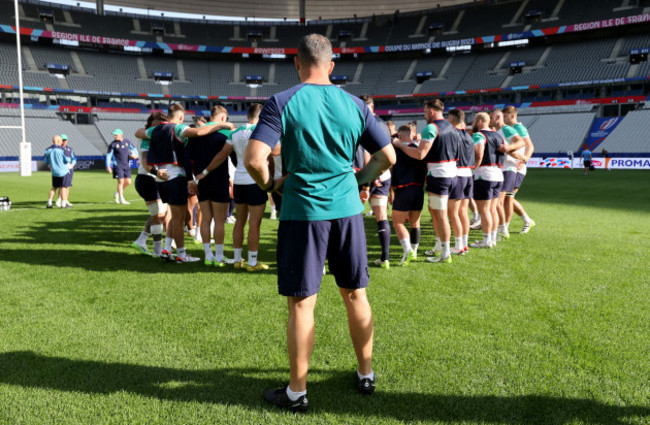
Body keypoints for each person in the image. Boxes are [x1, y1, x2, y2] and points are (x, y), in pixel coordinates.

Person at [244, 34, 394, 412]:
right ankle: (366, 374)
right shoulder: (355, 104)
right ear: (331, 65)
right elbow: (387, 156)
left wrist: (271, 184)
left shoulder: (282, 101)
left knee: (301, 304)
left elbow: (253, 159)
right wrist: (357, 180)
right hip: (346, 211)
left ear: (296, 64)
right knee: (356, 294)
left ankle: (297, 392)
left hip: (302, 212)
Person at [135, 103, 233, 263]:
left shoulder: (155, 130)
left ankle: (167, 249)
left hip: (160, 178)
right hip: (175, 176)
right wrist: (222, 125)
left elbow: (138, 132)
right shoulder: (178, 129)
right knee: (178, 219)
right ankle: (181, 254)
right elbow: (199, 131)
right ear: (181, 117)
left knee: (171, 216)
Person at [392, 99, 458, 264]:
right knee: (440, 214)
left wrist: (400, 145)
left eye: (425, 112)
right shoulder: (452, 126)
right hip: (453, 174)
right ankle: (444, 250)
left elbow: (420, 154)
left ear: (430, 111)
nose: (424, 115)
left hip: (439, 176)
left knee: (441, 215)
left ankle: (445, 253)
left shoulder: (432, 127)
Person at [188, 105, 235, 266]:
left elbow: (186, 158)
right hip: (219, 179)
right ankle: (219, 257)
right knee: (220, 221)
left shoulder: (197, 133)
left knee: (205, 218)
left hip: (201, 181)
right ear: (223, 118)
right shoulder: (227, 132)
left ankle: (208, 256)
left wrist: (191, 179)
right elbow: (234, 158)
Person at [227, 103, 272, 271]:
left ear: (248, 116)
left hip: (239, 180)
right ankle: (252, 262)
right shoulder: (261, 131)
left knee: (239, 220)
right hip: (255, 181)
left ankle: (238, 260)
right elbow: (274, 151)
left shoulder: (235, 132)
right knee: (254, 223)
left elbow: (224, 152)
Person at [359, 95, 392, 269]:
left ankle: (356, 259)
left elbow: (367, 155)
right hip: (384, 175)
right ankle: (385, 258)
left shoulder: (364, 122)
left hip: (367, 176)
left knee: (353, 216)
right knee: (381, 217)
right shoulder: (384, 125)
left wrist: (367, 184)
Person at [132, 111, 169, 257]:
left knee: (159, 214)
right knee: (159, 215)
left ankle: (141, 241)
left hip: (152, 179)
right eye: (160, 122)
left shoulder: (155, 136)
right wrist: (157, 172)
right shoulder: (147, 137)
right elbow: (147, 163)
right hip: (148, 179)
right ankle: (157, 251)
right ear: (153, 123)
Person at [390, 125, 426, 265]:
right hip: (418, 190)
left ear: (399, 136)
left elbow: (391, 170)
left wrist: (391, 191)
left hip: (403, 189)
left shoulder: (396, 149)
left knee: (398, 223)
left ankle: (408, 250)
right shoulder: (418, 149)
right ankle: (415, 252)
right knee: (415, 224)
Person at [470, 112, 504, 248]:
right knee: (492, 209)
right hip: (498, 174)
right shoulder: (498, 136)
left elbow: (478, 153)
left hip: (483, 175)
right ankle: (492, 239)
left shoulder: (479, 135)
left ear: (479, 122)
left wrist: (473, 168)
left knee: (484, 211)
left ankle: (486, 241)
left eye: (473, 121)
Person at [492, 107, 526, 241]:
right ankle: (501, 230)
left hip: (508, 169)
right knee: (498, 202)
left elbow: (521, 142)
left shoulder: (506, 129)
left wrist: (509, 149)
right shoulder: (498, 131)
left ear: (498, 117)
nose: (490, 119)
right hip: (501, 169)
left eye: (492, 116)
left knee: (499, 202)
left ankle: (503, 231)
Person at [502, 106, 536, 234]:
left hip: (517, 167)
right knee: (507, 197)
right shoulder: (509, 129)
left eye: (505, 116)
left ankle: (504, 228)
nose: (503, 119)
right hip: (511, 165)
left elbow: (530, 146)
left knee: (508, 197)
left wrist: (524, 160)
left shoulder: (518, 128)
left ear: (511, 116)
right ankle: (527, 220)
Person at [447, 109, 473, 255]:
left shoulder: (452, 134)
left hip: (457, 174)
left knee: (454, 213)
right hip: (468, 174)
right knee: (463, 211)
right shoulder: (468, 136)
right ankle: (464, 244)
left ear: (452, 118)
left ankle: (458, 246)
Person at [106, 129, 138, 205]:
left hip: (126, 165)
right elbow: (108, 155)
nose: (114, 136)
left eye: (116, 135)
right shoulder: (112, 144)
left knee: (129, 182)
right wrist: (108, 166)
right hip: (117, 165)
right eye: (114, 135)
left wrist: (135, 155)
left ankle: (117, 193)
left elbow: (134, 149)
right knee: (121, 182)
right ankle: (121, 198)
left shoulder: (127, 142)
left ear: (121, 135)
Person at [44, 135, 72, 209]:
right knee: (63, 187)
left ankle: (49, 202)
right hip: (63, 171)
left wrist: (51, 165)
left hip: (54, 171)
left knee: (54, 187)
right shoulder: (62, 149)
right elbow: (68, 160)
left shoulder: (48, 150)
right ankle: (63, 204)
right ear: (59, 141)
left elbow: (45, 161)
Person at [58, 134, 76, 207]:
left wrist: (72, 164)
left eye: (65, 140)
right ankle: (60, 200)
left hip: (69, 169)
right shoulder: (58, 149)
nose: (64, 142)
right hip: (61, 169)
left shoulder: (70, 149)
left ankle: (65, 199)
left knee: (67, 185)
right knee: (62, 185)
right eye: (62, 140)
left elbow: (74, 158)